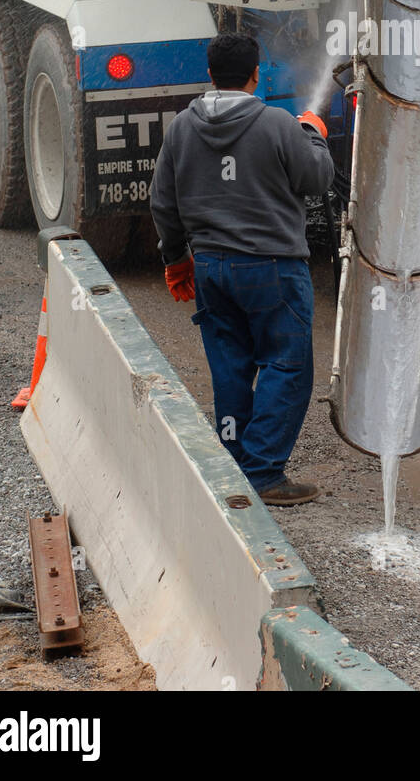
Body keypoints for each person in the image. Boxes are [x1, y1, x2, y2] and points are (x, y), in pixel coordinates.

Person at [149, 31, 334, 506]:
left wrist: (175, 259)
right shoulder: (276, 123)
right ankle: (264, 474)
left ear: (209, 75)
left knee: (229, 367)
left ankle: (234, 463)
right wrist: (312, 133)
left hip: (211, 268)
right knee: (285, 364)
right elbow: (317, 180)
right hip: (273, 269)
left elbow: (163, 202)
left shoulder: (181, 128)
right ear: (257, 75)